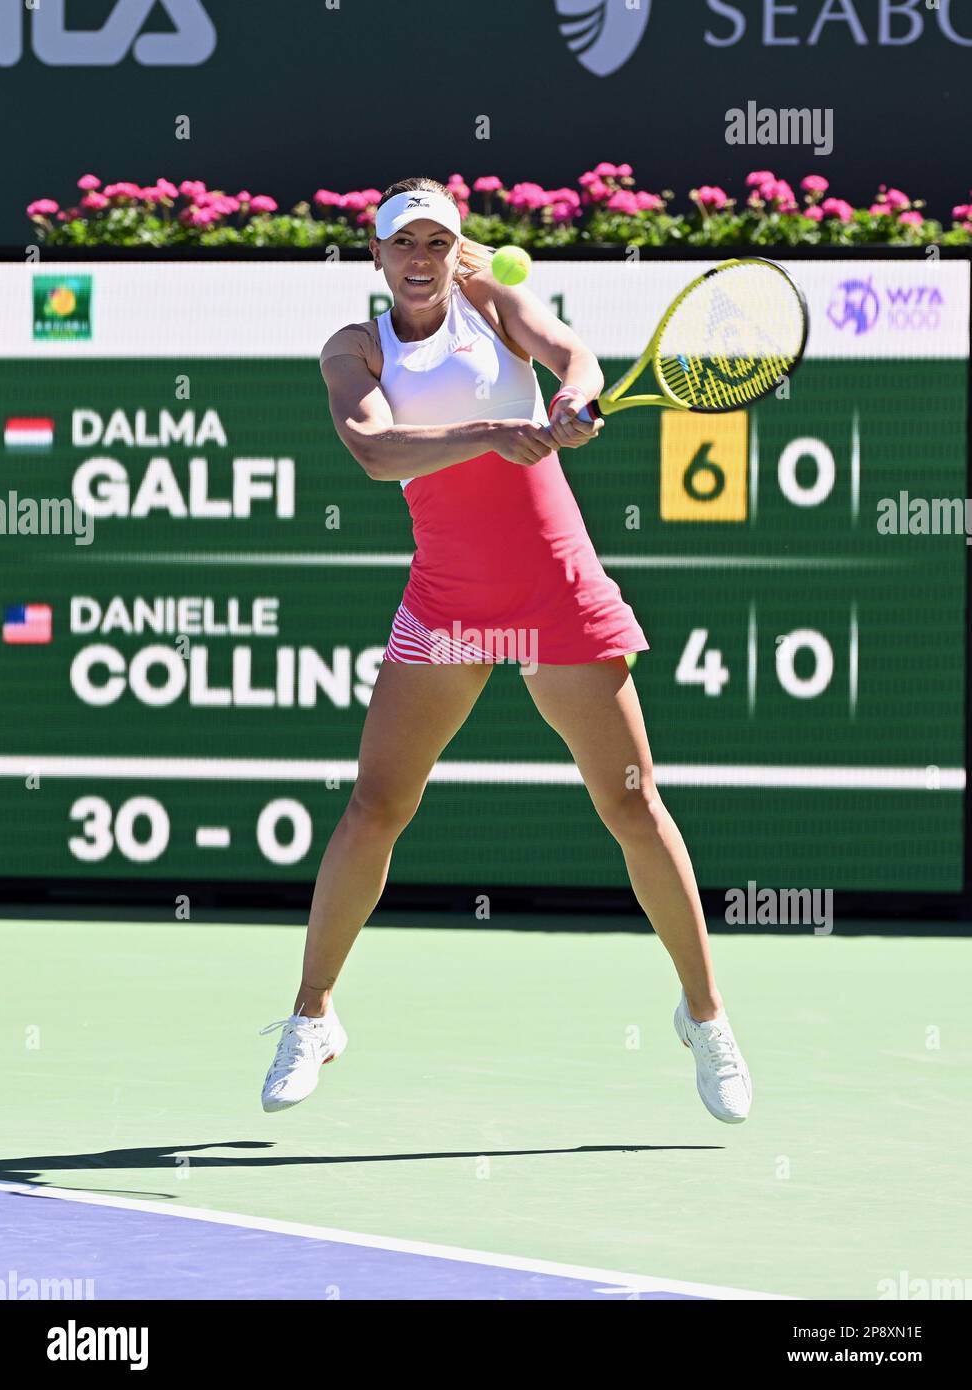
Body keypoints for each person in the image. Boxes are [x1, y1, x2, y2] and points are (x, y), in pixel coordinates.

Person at [259, 177, 752, 1123]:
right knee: (376, 804)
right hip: (448, 603)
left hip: (556, 588)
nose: (419, 259)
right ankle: (313, 1013)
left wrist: (572, 394)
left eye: (436, 243)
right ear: (375, 257)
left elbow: (571, 350)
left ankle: (706, 1017)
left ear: (455, 251)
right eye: (402, 244)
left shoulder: (492, 303)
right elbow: (374, 450)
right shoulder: (353, 349)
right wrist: (495, 431)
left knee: (633, 802)